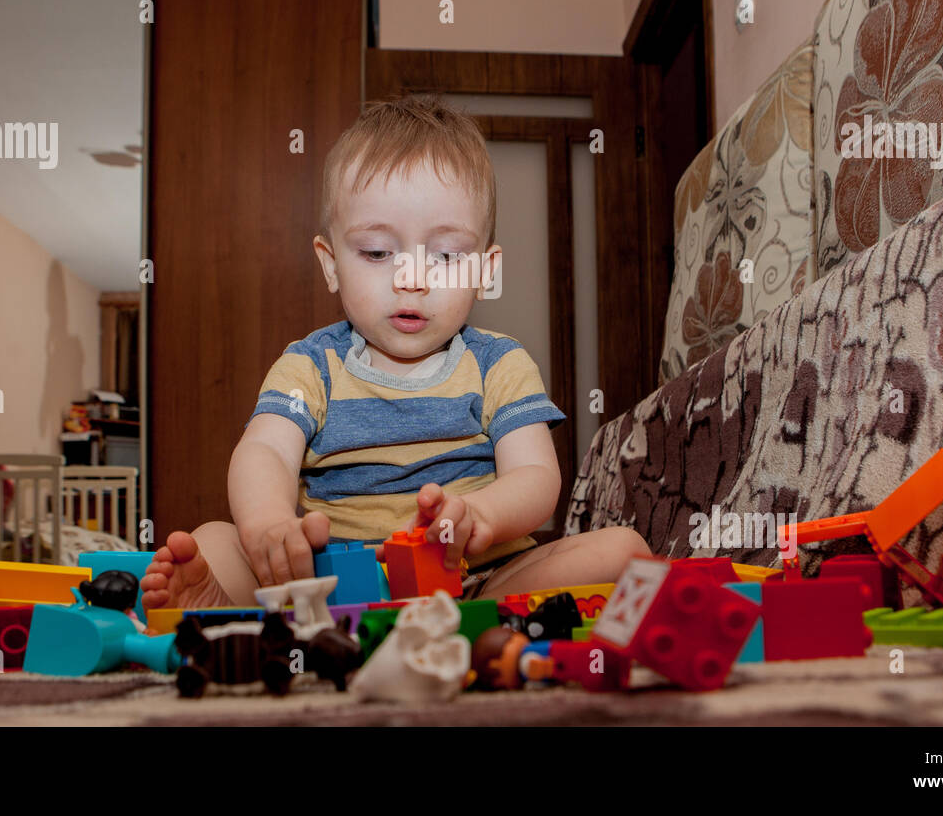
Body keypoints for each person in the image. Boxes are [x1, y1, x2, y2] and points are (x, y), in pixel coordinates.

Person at [142, 94, 650, 611]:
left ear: (485, 270)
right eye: (378, 253)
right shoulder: (311, 365)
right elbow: (266, 451)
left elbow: (536, 477)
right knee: (212, 539)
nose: (412, 279)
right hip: (329, 583)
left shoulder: (499, 363)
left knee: (623, 550)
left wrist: (480, 515)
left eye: (448, 256)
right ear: (331, 262)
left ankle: (462, 621)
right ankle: (221, 602)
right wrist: (269, 523)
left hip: (473, 580)